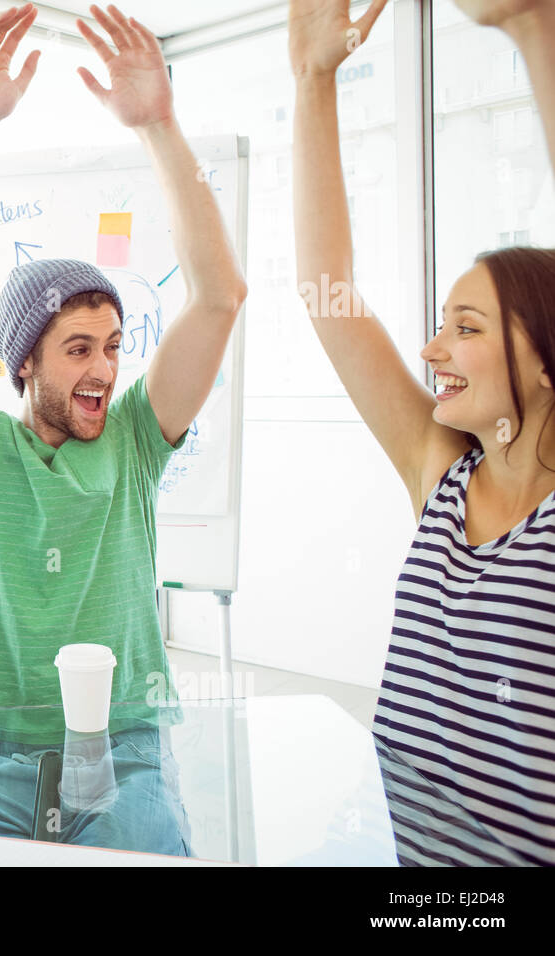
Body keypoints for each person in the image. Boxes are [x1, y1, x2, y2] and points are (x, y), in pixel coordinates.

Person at [0, 5, 246, 710]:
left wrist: (157, 125)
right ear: (24, 361)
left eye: (113, 347)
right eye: (79, 349)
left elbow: (219, 297)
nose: (106, 370)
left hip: (132, 741)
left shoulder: (138, 436)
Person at [290, 0, 555, 865]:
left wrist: (535, 29)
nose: (434, 350)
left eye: (468, 328)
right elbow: (327, 288)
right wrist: (312, 79)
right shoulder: (441, 472)